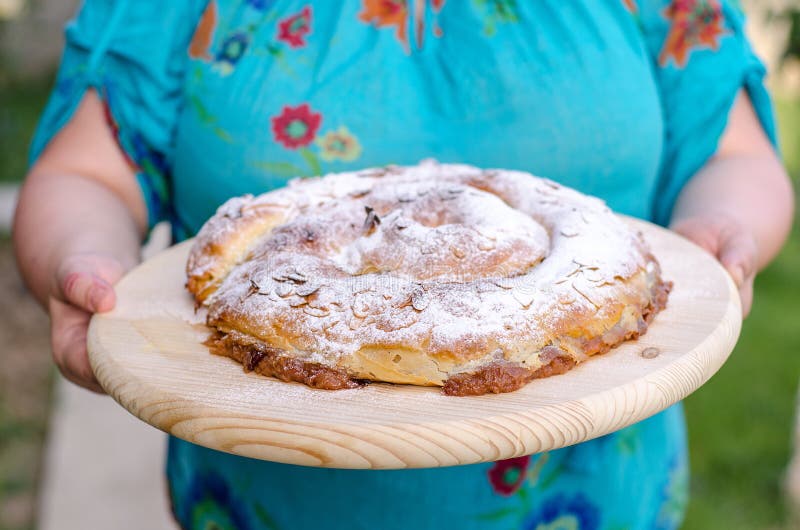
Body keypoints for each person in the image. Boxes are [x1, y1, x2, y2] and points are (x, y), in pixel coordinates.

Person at [12, 1, 794, 528]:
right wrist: (83, 254)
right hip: (268, 503)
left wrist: (722, 227)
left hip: (589, 499)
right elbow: (88, 172)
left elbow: (729, 152)